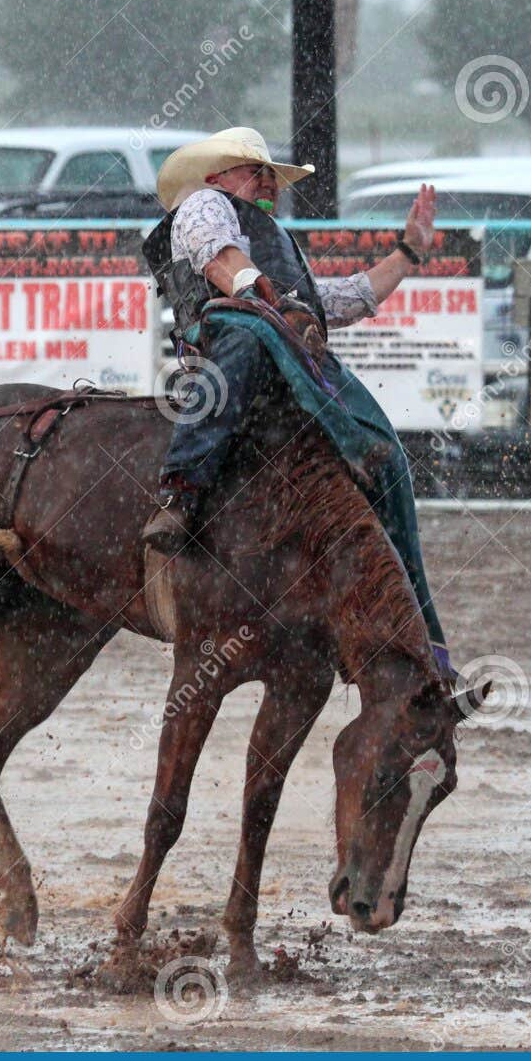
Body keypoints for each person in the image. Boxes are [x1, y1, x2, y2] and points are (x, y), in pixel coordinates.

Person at [141, 126, 453, 675]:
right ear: (217, 177)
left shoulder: (277, 240)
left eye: (272, 177)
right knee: (247, 336)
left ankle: (410, 616)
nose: (267, 185)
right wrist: (254, 290)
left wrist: (408, 252)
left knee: (385, 451)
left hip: (295, 357)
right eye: (255, 173)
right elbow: (219, 257)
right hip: (229, 335)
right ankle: (182, 490)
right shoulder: (204, 204)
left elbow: (341, 298)